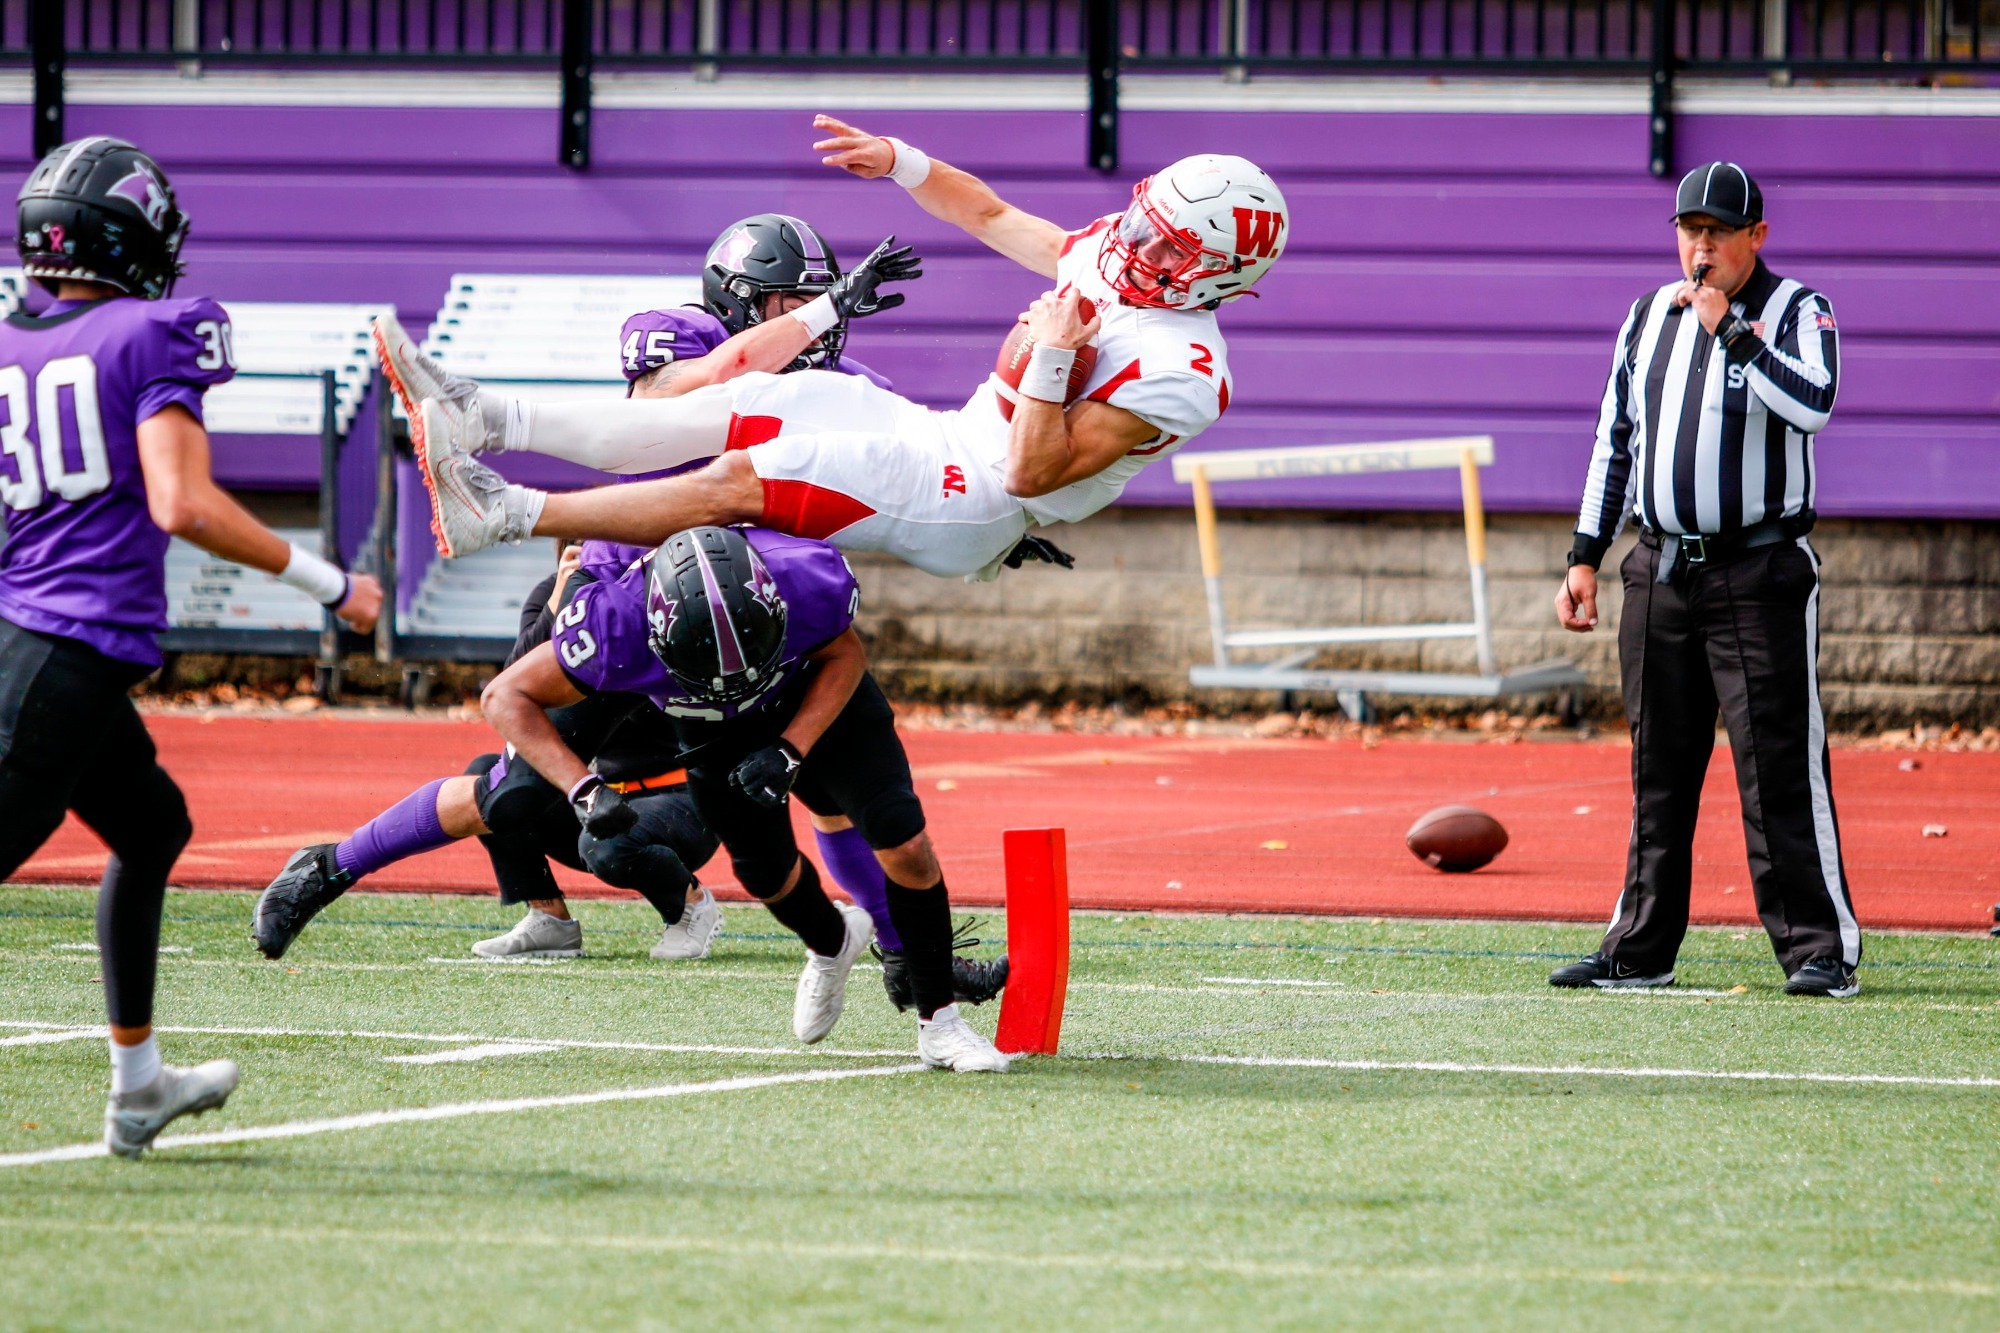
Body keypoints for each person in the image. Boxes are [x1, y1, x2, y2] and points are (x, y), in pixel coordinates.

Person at [374, 114, 1285, 583]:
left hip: (977, 498)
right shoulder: (1116, 258)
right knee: (736, 406)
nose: (1142, 246)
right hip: (942, 437)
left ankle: (508, 512)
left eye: (1173, 248)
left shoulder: (1184, 371)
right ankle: (481, 415)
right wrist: (901, 162)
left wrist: (1049, 359)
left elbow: (1035, 471)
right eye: (1147, 223)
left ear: (1222, 278)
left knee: (746, 475)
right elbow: (995, 214)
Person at [0, 137, 382, 1156]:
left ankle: (136, 1085)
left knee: (153, 825)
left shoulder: (13, 341)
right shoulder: (155, 330)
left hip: (39, 642)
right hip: (58, 654)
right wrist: (330, 583)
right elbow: (181, 501)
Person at [483, 524, 1010, 1071]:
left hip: (812, 696)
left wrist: (791, 748)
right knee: (763, 872)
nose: (735, 678)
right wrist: (584, 788)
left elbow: (845, 653)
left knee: (903, 838)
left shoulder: (805, 575)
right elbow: (505, 695)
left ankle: (940, 1024)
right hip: (711, 730)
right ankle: (832, 944)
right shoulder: (613, 617)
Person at [1550, 161, 1859, 998]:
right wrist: (1585, 554)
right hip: (1659, 567)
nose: (1703, 245)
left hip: (1758, 567)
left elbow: (1815, 402)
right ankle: (1639, 947)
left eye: (1720, 231)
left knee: (1776, 764)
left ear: (1757, 236)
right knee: (1659, 764)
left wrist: (1733, 331)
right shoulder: (1647, 315)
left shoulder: (1799, 310)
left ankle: (1818, 950)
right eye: (1691, 229)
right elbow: (1615, 439)